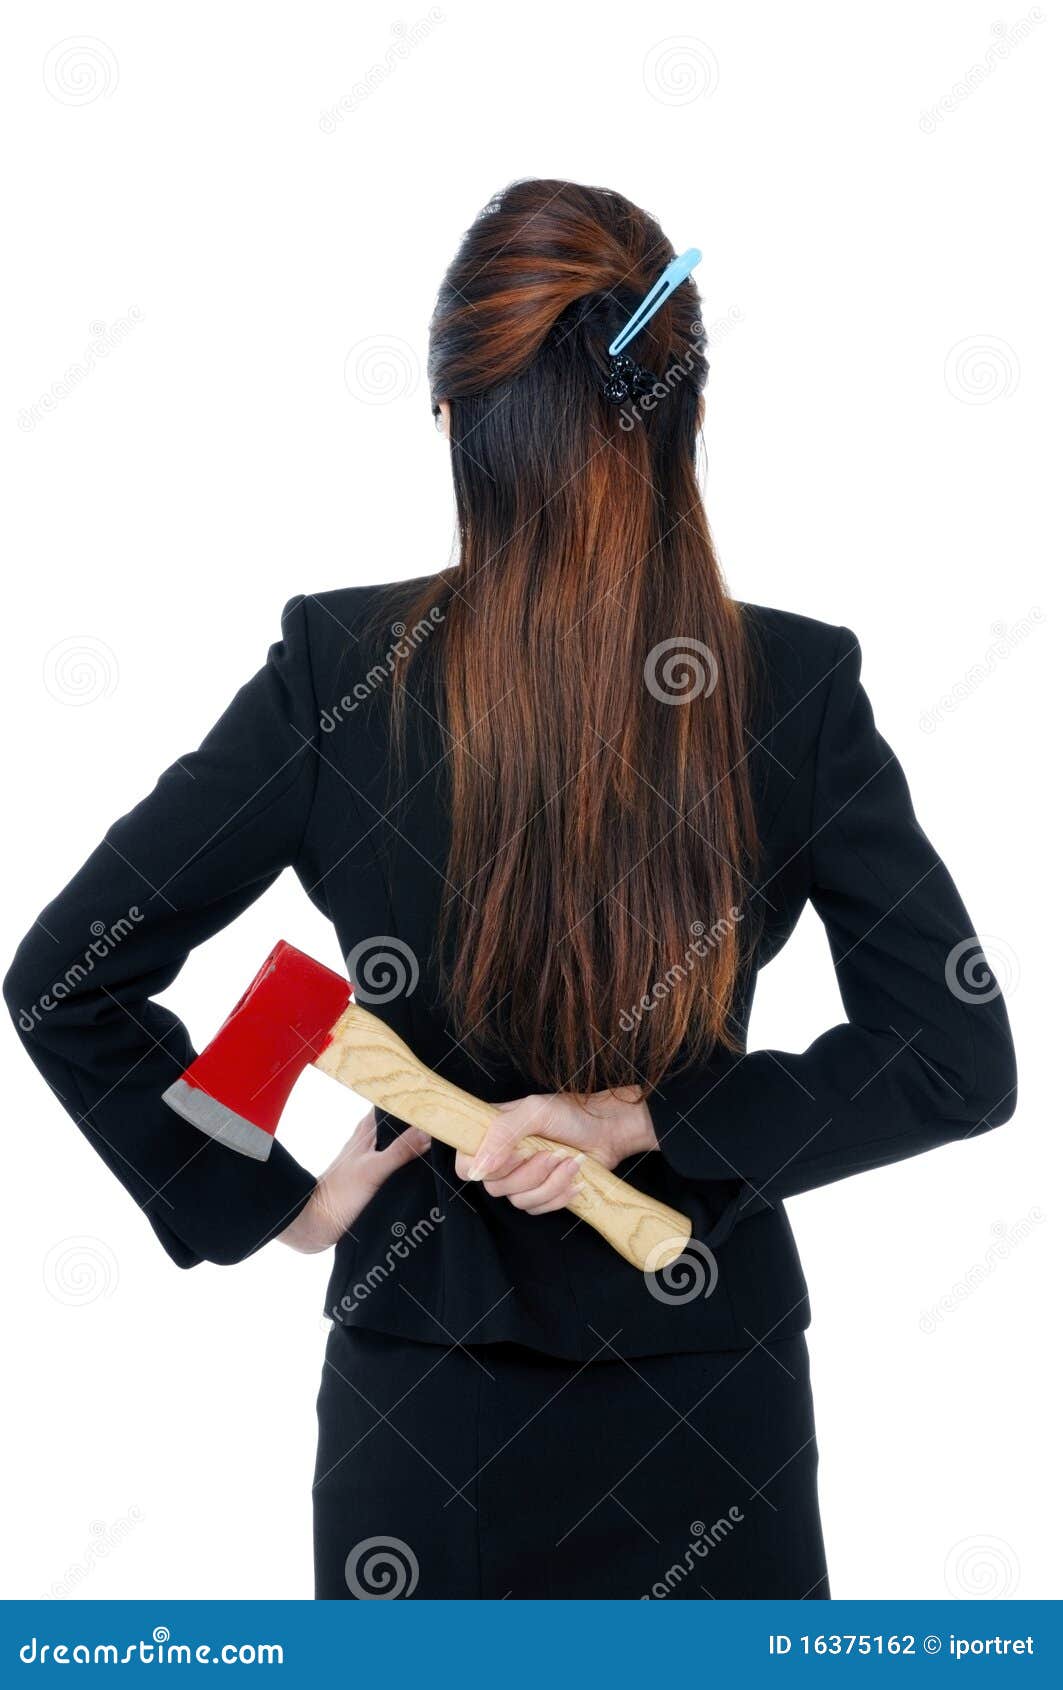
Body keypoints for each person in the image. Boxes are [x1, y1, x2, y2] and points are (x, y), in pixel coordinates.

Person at [5, 179, 1016, 1600]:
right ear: (682, 423)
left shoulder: (335, 675)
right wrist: (643, 1117)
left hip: (426, 1424)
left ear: (448, 425)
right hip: (709, 1402)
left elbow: (69, 978)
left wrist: (270, 1198)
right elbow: (953, 1057)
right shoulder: (793, 688)